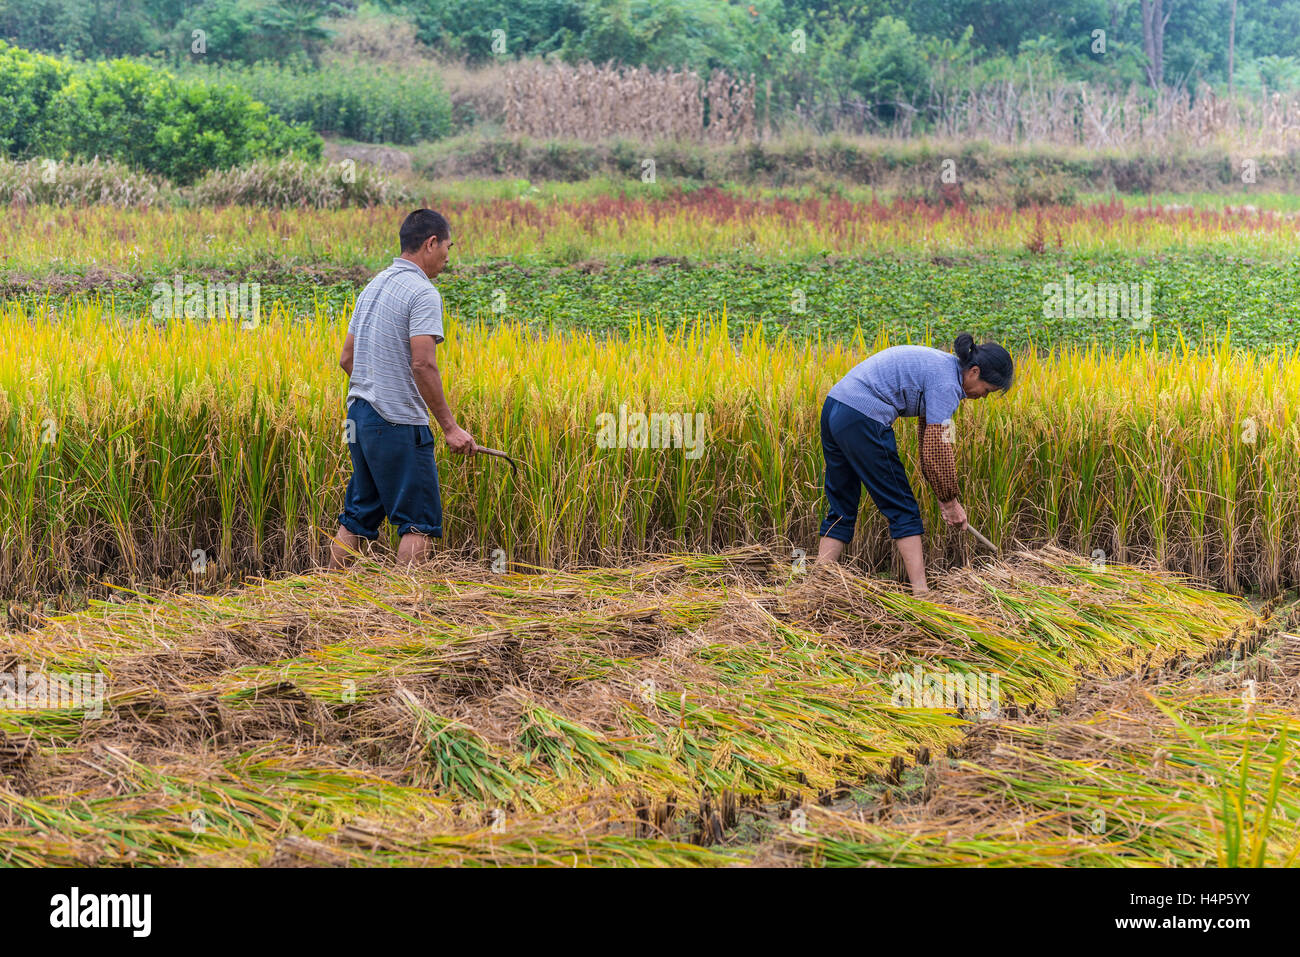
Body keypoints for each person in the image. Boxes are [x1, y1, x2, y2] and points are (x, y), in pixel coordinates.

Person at [329, 209, 476, 568]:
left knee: (359, 516)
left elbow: (347, 358)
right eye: (447, 247)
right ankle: (407, 613)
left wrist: (376, 386)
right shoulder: (423, 292)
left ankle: (323, 595)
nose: (447, 257)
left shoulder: (374, 285)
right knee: (418, 521)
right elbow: (423, 363)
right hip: (397, 422)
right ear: (430, 243)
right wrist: (450, 428)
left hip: (360, 418)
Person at [815, 333, 1014, 594]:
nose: (983, 397)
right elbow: (940, 448)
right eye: (987, 390)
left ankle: (815, 584)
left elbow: (929, 442)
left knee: (842, 504)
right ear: (974, 372)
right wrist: (952, 501)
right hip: (864, 415)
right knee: (903, 507)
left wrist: (946, 502)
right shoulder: (948, 387)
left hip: (835, 408)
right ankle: (922, 594)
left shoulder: (941, 368)